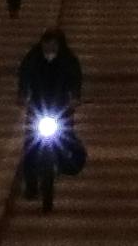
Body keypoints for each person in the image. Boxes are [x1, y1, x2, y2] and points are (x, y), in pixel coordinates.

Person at [14, 18, 87, 207]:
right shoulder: (33, 58)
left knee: (66, 137)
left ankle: (67, 163)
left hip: (60, 107)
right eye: (47, 45)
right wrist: (23, 95)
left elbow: (75, 79)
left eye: (53, 45)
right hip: (38, 107)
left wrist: (75, 97)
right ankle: (30, 184)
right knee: (30, 145)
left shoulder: (68, 60)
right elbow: (24, 75)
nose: (50, 49)